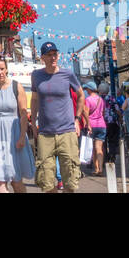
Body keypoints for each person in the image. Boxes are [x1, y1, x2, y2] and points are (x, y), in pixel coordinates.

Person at [29, 42, 88, 193]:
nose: (53, 57)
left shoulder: (67, 74)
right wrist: (33, 122)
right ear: (42, 57)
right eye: (49, 55)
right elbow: (34, 99)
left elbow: (81, 95)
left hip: (67, 132)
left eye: (55, 54)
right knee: (46, 181)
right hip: (45, 133)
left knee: (70, 179)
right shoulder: (36, 76)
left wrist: (77, 119)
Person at [0, 57, 34, 192]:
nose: (0, 72)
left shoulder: (17, 86)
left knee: (16, 180)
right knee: (1, 181)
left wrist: (22, 137)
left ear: (6, 69)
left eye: (2, 69)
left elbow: (23, 114)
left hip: (14, 133)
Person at [84, 81, 108, 176]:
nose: (86, 90)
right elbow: (103, 113)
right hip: (102, 125)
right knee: (99, 148)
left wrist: (88, 124)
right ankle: (101, 169)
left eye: (86, 89)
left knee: (93, 149)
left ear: (89, 89)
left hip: (92, 125)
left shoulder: (88, 100)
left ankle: (96, 169)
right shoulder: (101, 100)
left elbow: (86, 112)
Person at [102, 82, 121, 165]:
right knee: (113, 141)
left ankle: (105, 157)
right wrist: (120, 117)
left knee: (103, 141)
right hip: (113, 122)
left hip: (102, 123)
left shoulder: (98, 99)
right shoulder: (112, 98)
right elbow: (117, 109)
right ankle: (112, 156)